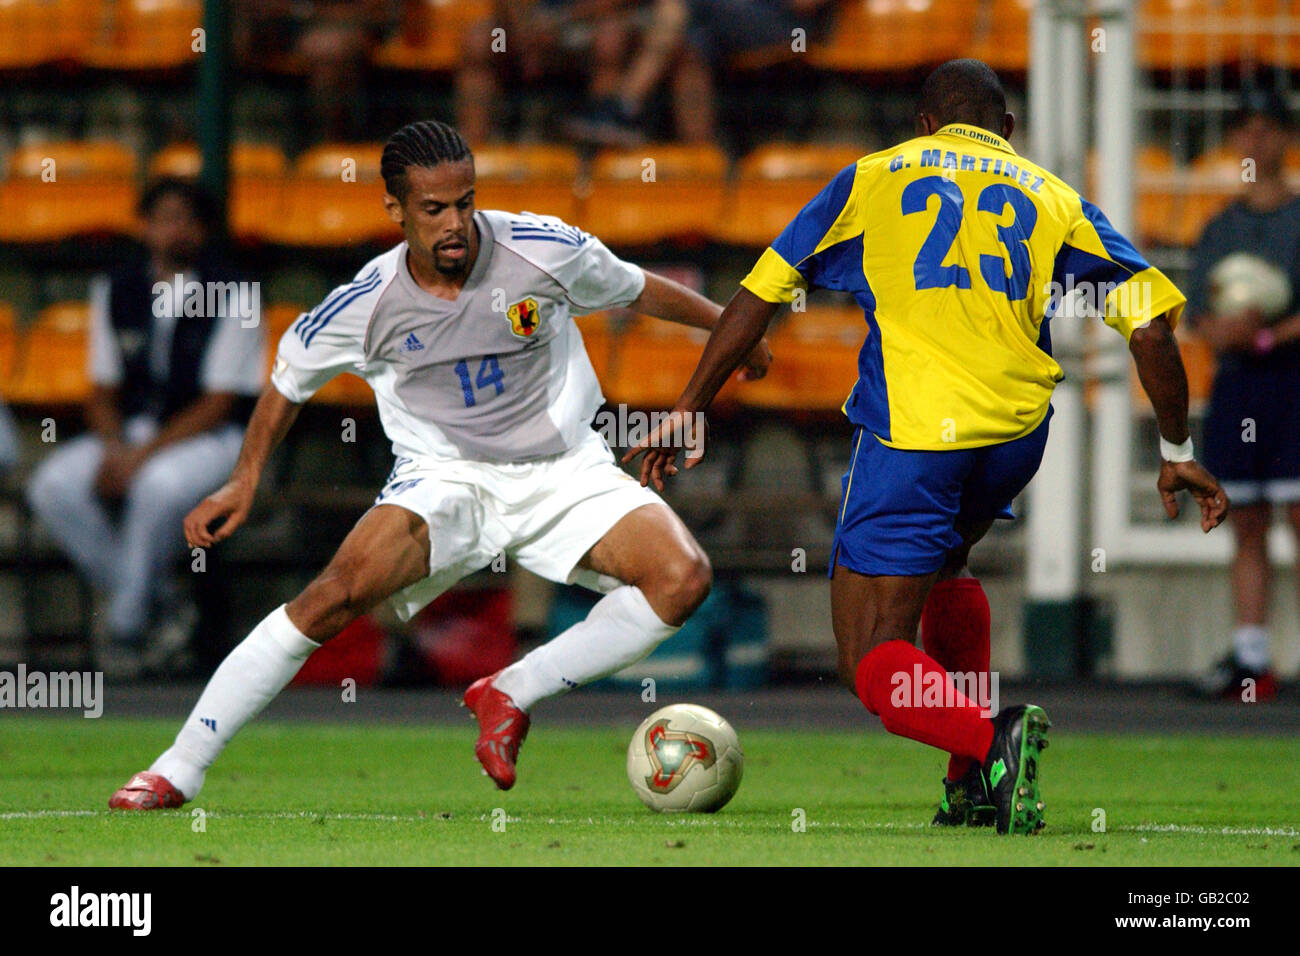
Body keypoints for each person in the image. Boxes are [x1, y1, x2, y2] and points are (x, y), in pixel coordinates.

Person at [626, 59, 1228, 835]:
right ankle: (969, 788)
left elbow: (760, 294)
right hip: (1014, 437)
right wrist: (1175, 447)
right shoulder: (1053, 195)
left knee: (870, 656)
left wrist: (688, 407)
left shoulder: (874, 178)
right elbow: (1148, 323)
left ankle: (989, 747)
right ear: (1006, 128)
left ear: (922, 124)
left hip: (913, 437)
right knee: (949, 564)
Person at [108, 119, 771, 810]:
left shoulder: (542, 249)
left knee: (682, 577)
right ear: (395, 210)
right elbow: (287, 382)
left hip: (565, 470)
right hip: (443, 479)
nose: (456, 223)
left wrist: (733, 328)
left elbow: (637, 288)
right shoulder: (365, 303)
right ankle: (177, 766)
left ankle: (513, 689)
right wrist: (244, 477)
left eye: (465, 202)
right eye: (434, 210)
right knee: (329, 598)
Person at [27, 179, 265, 674]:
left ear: (202, 229)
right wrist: (115, 450)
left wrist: (135, 460)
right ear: (144, 227)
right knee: (51, 484)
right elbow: (102, 389)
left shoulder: (235, 291)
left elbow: (219, 402)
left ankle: (126, 628)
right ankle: (156, 604)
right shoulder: (117, 288)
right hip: (135, 432)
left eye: (185, 218)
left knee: (156, 487)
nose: (173, 230)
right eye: (162, 218)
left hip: (214, 440)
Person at [1185, 87, 1300, 701]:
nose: (1256, 142)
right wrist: (1220, 331)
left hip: (1293, 386)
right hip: (1239, 391)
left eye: (1267, 129)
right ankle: (1252, 657)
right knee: (1247, 522)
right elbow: (1196, 311)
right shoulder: (1219, 227)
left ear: (1286, 137)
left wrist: (1268, 333)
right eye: (1245, 130)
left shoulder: (1297, 220)